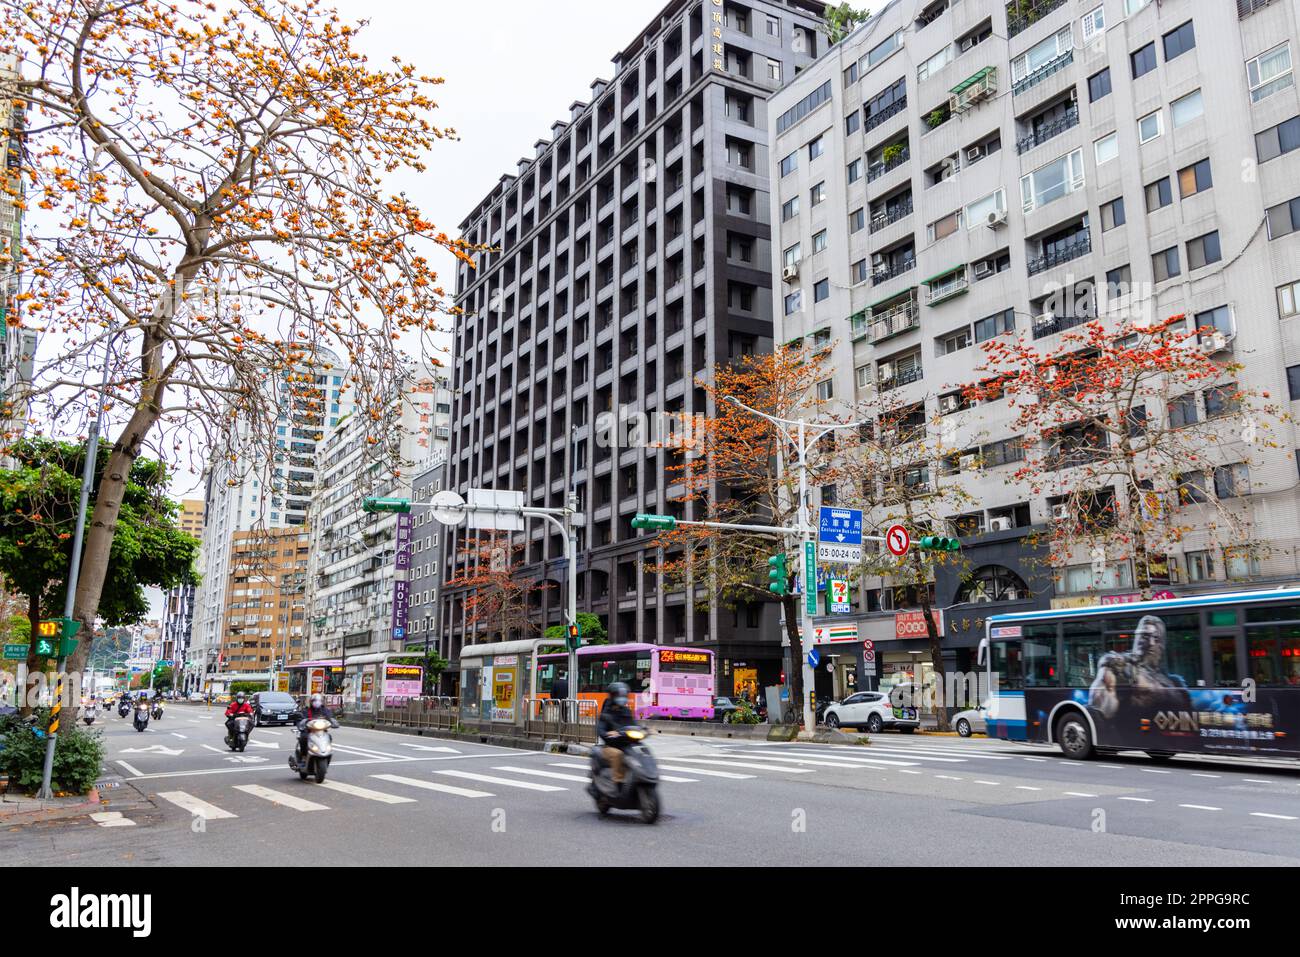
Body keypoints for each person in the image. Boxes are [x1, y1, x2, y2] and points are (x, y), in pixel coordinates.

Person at [1088, 614, 1193, 719]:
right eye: (1145, 636)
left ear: (1162, 644)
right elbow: (1101, 711)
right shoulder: (1122, 668)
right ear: (1137, 639)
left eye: (1156, 638)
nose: (1151, 643)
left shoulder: (1175, 681)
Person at [596, 682, 636, 789]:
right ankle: (618, 783)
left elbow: (634, 725)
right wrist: (608, 733)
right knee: (618, 754)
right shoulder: (606, 712)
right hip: (610, 746)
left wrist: (645, 730)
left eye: (624, 695)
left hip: (626, 744)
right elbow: (600, 729)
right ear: (613, 696)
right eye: (619, 695)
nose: (622, 698)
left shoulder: (626, 711)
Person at [296, 693, 338, 760]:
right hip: (309, 731)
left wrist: (333, 722)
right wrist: (303, 723)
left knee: (329, 737)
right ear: (311, 702)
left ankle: (326, 751)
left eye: (319, 700)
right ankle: (303, 756)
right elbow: (301, 719)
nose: (317, 702)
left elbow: (330, 717)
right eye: (315, 700)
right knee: (303, 738)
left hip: (321, 731)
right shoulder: (307, 710)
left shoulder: (324, 710)